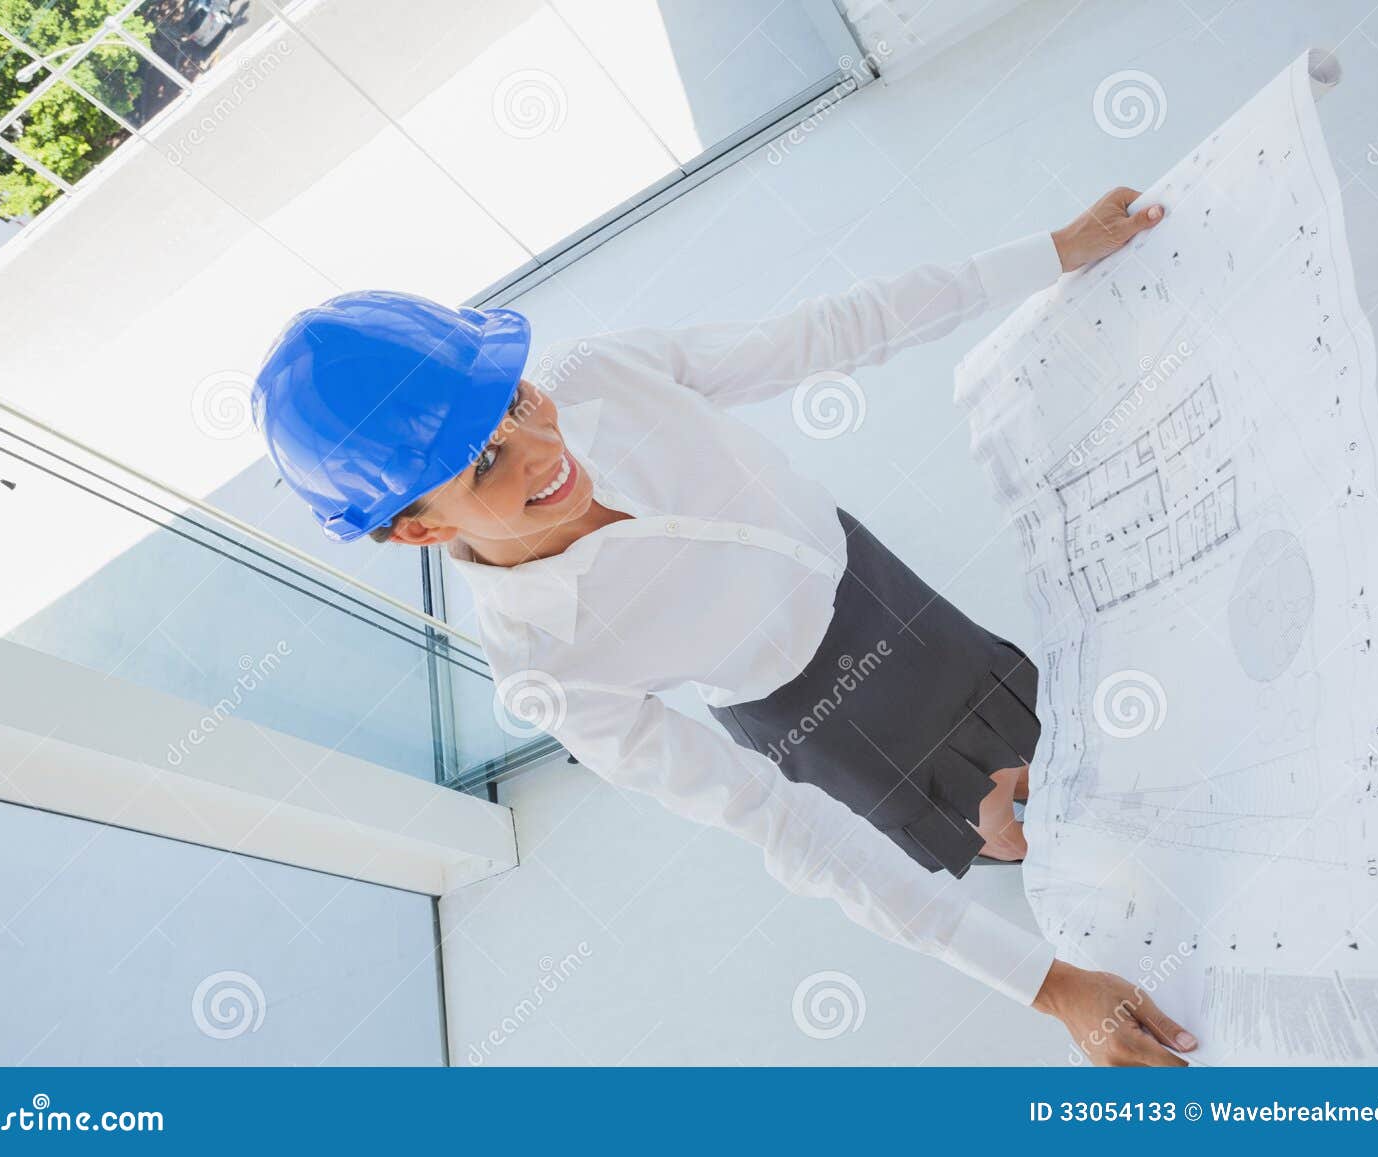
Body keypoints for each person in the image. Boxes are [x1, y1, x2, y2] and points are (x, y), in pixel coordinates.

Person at [254, 186, 1198, 1066]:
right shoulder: (546, 664)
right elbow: (789, 829)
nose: (549, 448)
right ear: (422, 527)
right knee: (984, 817)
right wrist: (1053, 984)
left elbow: (833, 331)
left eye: (515, 401)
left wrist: (1052, 252)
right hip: (806, 707)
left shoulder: (602, 376)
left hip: (873, 582)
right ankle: (1002, 841)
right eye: (488, 460)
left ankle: (1029, 803)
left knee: (1032, 728)